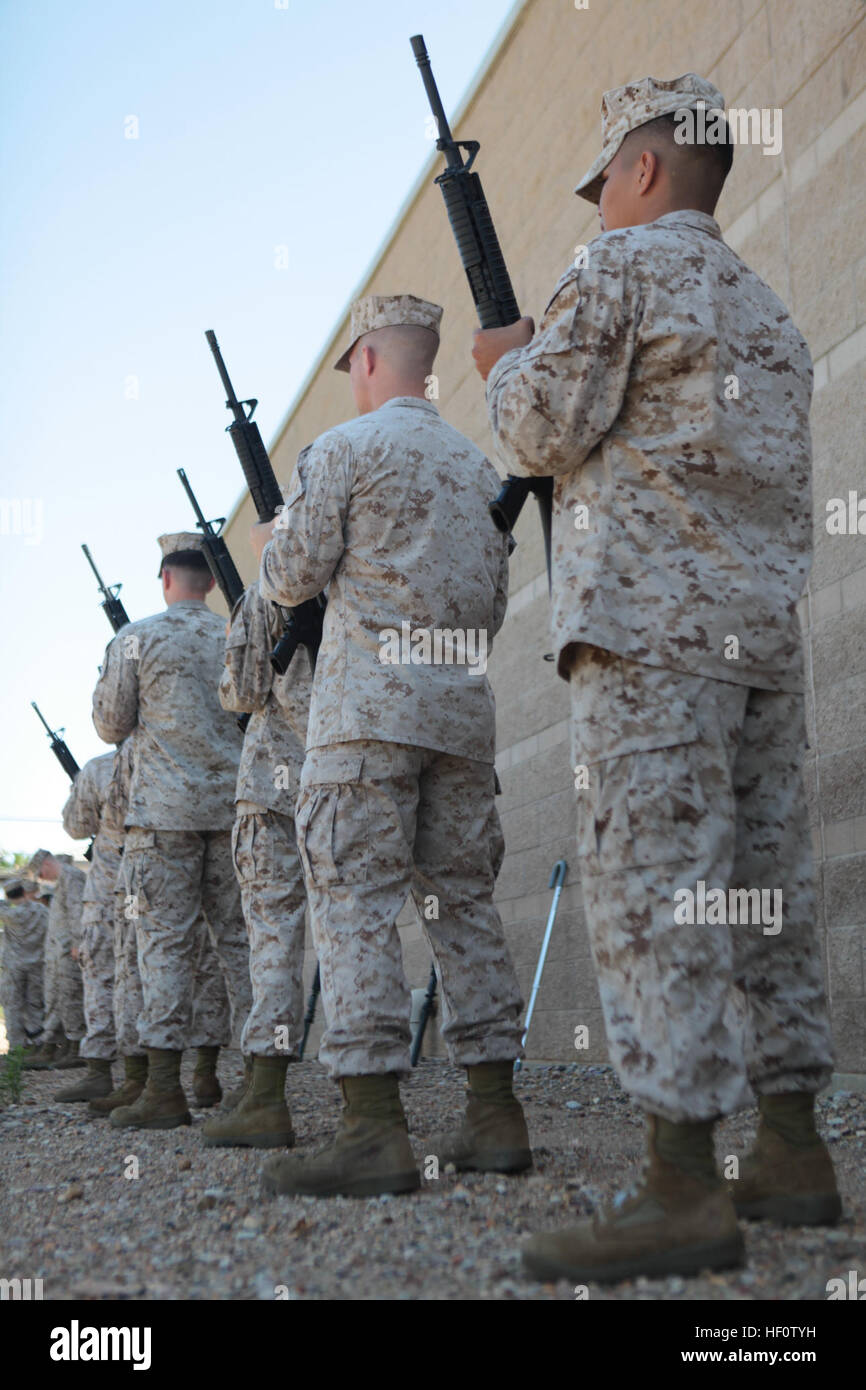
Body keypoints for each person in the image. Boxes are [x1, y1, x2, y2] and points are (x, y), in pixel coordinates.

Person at [475, 74, 838, 1284]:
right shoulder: (770, 317)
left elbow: (535, 432)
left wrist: (498, 363)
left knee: (654, 895)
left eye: (599, 185)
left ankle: (683, 1185)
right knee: (763, 893)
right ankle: (790, 1148)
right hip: (759, 650)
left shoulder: (616, 271)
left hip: (647, 639)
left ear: (635, 172)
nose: (596, 207)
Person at [251, 293, 527, 1198]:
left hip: (365, 719)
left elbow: (290, 580)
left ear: (367, 360)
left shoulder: (342, 451)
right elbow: (490, 606)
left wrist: (275, 540)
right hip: (458, 722)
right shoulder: (479, 468)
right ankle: (495, 1112)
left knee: (356, 903)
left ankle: (373, 1128)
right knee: (463, 905)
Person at [92, 531, 251, 1129]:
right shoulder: (237, 630)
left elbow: (111, 726)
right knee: (241, 947)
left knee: (163, 948)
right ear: (210, 581)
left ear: (164, 579)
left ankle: (163, 1090)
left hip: (162, 821)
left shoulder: (136, 639)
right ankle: (258, 1085)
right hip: (236, 813)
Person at [201, 583, 313, 1148]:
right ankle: (371, 1102)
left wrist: (234, 644)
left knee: (273, 938)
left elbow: (241, 693)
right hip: (358, 769)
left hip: (275, 788)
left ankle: (266, 1097)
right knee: (358, 930)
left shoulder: (277, 576)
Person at [55, 751, 120, 1101]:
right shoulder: (185, 753)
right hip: (165, 884)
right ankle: (192, 1074)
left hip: (110, 886)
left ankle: (99, 1072)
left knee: (100, 974)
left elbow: (76, 827)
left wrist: (77, 788)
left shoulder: (101, 767)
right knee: (156, 970)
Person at [23, 850, 86, 1069]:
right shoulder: (63, 880)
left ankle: (76, 1049)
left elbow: (78, 910)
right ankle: (57, 1047)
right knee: (58, 998)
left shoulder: (72, 876)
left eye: (40, 873)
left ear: (47, 864)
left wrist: (78, 942)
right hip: (59, 951)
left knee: (71, 996)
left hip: (69, 951)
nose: (42, 879)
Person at [0, 878, 47, 1054]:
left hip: (14, 967)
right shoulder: (41, 910)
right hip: (37, 964)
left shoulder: (9, 914)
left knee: (13, 1005)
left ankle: (17, 1046)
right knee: (35, 1003)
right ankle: (37, 1042)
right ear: (23, 891)